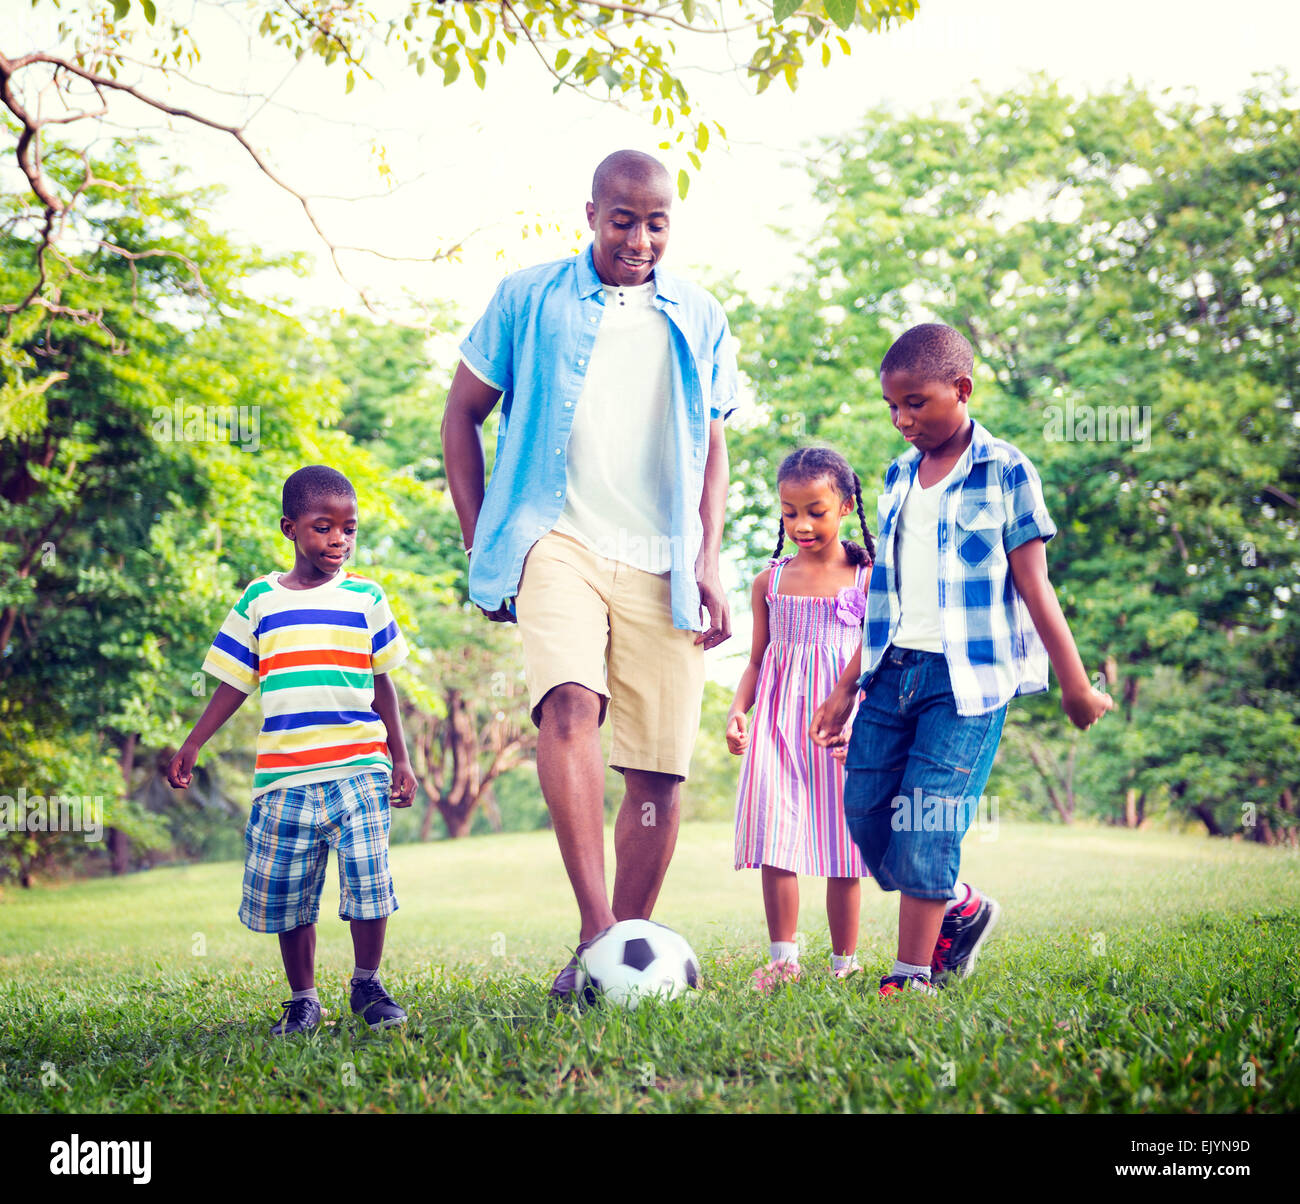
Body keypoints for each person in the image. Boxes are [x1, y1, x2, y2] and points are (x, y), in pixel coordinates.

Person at [440, 149, 737, 996]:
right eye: (623, 219)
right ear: (591, 212)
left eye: (657, 222)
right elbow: (460, 416)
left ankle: (617, 952)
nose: (640, 238)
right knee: (568, 703)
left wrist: (709, 559)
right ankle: (597, 929)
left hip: (663, 558)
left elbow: (715, 446)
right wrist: (482, 540)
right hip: (554, 536)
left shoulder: (702, 315)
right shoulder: (527, 297)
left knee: (658, 773)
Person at [810, 324, 1113, 997]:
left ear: (962, 390)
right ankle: (961, 907)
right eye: (892, 406)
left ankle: (911, 976)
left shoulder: (1006, 470)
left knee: (927, 816)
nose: (902, 419)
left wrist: (1076, 685)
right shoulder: (896, 477)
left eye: (916, 403)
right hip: (891, 673)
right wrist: (843, 687)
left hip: (967, 683)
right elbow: (883, 596)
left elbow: (1035, 585)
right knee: (865, 812)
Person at [166, 466, 417, 1034]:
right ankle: (303, 999)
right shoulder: (260, 598)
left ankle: (366, 984)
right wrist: (194, 741)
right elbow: (235, 679)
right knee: (289, 893)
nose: (338, 540)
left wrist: (401, 758)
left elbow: (384, 686)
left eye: (349, 529)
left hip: (359, 768)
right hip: (283, 777)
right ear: (290, 528)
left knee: (369, 880)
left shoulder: (365, 597)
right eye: (324, 527)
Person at [727, 447, 875, 990]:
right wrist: (738, 711)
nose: (801, 524)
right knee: (774, 836)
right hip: (776, 723)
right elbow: (757, 658)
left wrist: (863, 722)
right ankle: (783, 958)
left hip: (841, 725)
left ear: (845, 506)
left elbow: (876, 657)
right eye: (789, 512)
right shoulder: (770, 581)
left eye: (815, 510)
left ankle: (844, 963)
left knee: (843, 847)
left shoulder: (867, 578)